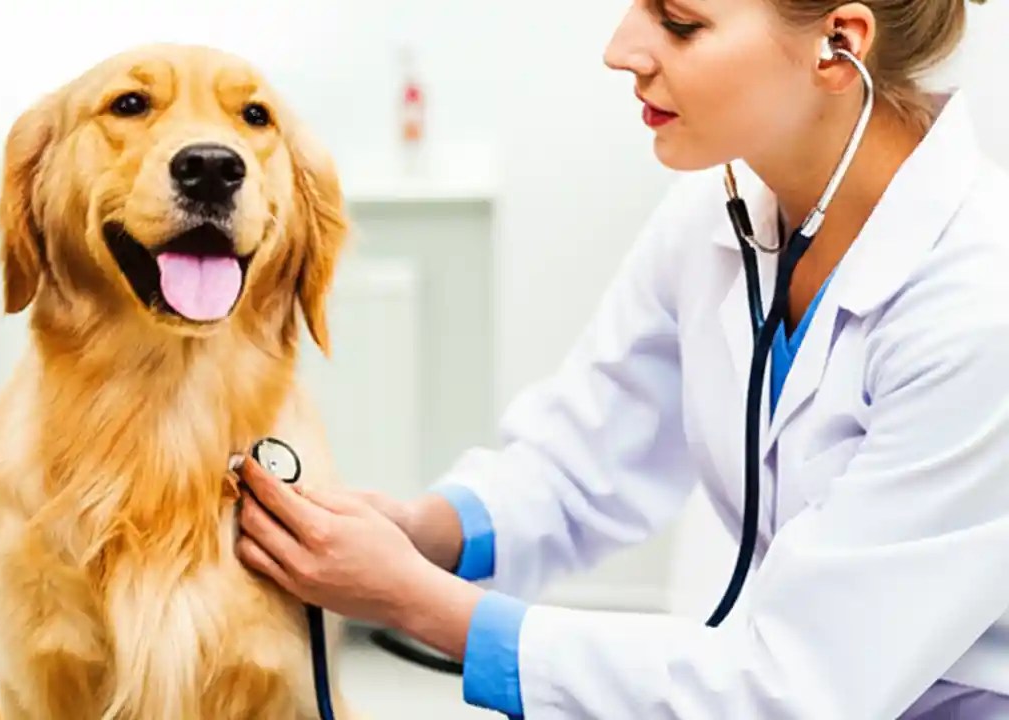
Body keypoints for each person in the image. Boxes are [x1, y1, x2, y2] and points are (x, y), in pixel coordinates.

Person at [234, 0, 1009, 717]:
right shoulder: (722, 215)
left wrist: (416, 603)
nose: (621, 50)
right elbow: (583, 460)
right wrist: (420, 530)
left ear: (839, 45)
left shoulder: (978, 306)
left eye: (678, 21)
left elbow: (794, 685)